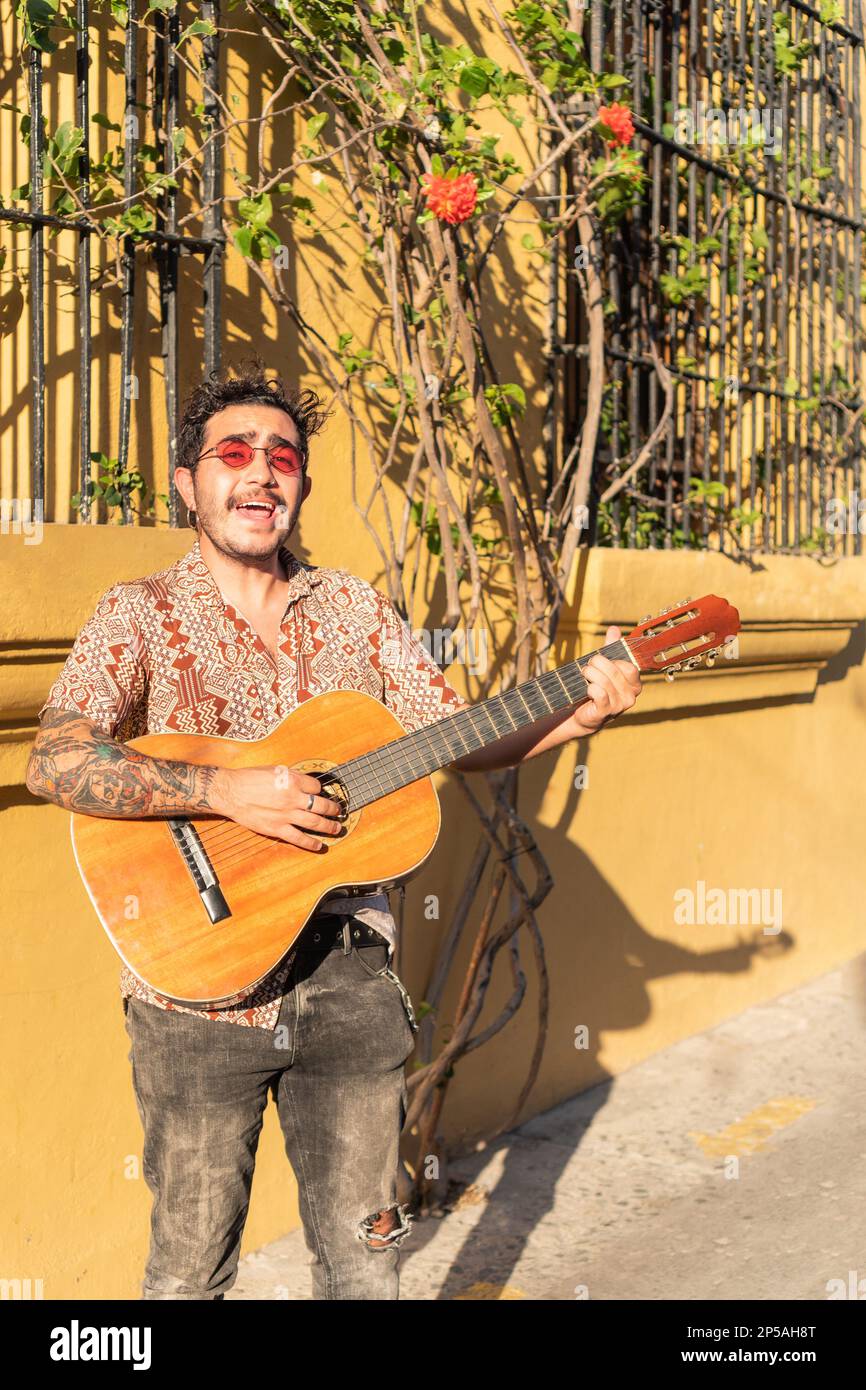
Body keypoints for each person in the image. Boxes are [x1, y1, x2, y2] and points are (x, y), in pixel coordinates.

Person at [25, 361, 642, 1300]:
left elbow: (457, 736)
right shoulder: (138, 614)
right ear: (190, 484)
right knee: (188, 1271)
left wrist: (577, 713)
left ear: (301, 486)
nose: (260, 472)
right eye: (233, 453)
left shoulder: (356, 610)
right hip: (194, 996)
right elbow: (56, 760)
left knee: (367, 1259)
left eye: (282, 457)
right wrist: (229, 792)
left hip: (351, 978)